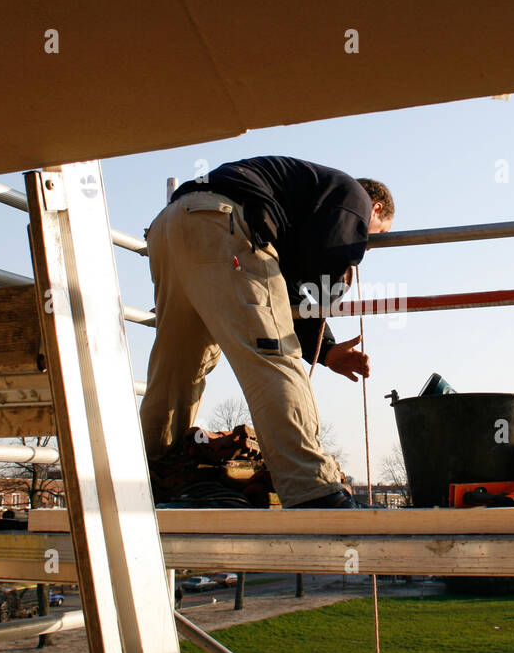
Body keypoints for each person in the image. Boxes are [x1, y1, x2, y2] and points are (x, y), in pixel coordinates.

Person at [140, 156, 395, 508]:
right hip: (219, 224)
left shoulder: (305, 195)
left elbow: (292, 286)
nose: (365, 245)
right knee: (272, 354)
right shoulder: (354, 197)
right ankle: (313, 489)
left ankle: (148, 476)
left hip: (170, 226)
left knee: (177, 368)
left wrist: (327, 350)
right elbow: (319, 271)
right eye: (372, 236)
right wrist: (340, 281)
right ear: (375, 207)